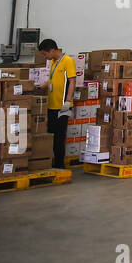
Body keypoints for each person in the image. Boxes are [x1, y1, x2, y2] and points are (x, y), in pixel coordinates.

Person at [38, 38, 76, 169]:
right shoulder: (53, 62)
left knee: (60, 137)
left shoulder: (68, 61)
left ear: (52, 50)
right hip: (52, 105)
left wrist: (68, 101)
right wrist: (40, 86)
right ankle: (52, 162)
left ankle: (60, 165)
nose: (45, 57)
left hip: (62, 106)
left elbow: (72, 81)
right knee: (51, 134)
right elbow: (52, 80)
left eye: (45, 54)